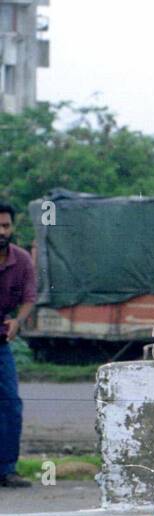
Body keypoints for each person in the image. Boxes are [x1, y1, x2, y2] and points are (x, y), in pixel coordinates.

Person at [0, 200, 36, 489]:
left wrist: (18, 321)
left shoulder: (22, 259)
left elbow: (28, 298)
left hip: (1, 341)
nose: (1, 231)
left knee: (10, 404)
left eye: (5, 226)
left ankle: (7, 469)